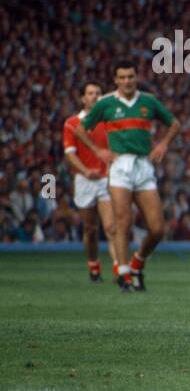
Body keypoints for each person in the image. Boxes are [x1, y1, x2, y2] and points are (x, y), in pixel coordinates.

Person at [75, 60, 180, 292]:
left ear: (136, 77)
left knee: (157, 228)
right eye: (122, 77)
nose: (127, 81)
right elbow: (81, 128)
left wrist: (163, 144)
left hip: (143, 165)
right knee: (123, 222)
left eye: (130, 76)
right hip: (120, 166)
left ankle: (136, 263)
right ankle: (124, 275)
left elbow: (174, 123)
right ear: (115, 80)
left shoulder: (148, 101)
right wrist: (98, 150)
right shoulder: (106, 103)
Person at [62, 81, 117, 282]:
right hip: (84, 180)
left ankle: (120, 271)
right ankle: (94, 265)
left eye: (98, 93)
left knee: (111, 227)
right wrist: (85, 171)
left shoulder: (109, 121)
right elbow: (70, 153)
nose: (94, 96)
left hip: (106, 180)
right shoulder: (71, 123)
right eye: (90, 93)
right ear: (83, 98)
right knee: (90, 229)